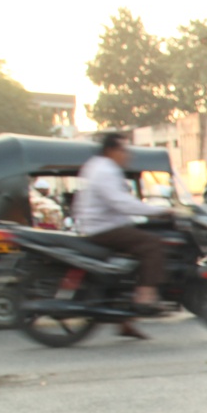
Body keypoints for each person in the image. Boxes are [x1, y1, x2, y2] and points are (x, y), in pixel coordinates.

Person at [73, 132, 171, 339]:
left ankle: (124, 320)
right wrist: (158, 211)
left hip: (98, 225)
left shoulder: (96, 165)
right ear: (112, 150)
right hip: (103, 229)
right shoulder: (105, 170)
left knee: (130, 263)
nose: (127, 155)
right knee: (152, 244)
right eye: (123, 150)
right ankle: (146, 296)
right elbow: (121, 203)